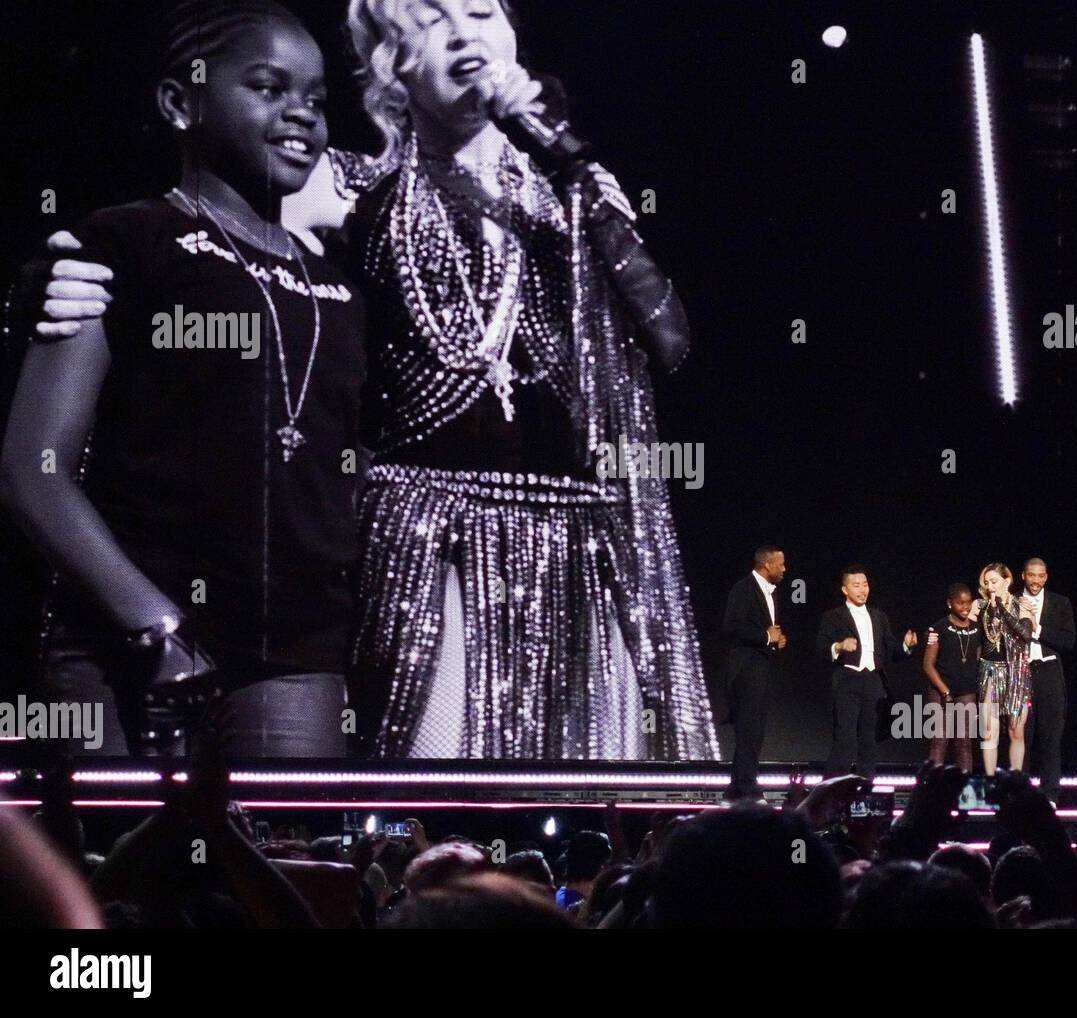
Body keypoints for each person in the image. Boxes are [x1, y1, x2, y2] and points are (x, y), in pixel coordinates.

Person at [34, 0, 719, 763]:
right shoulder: (345, 186)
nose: (464, 36)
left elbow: (669, 340)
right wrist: (61, 277)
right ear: (393, 63)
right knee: (439, 792)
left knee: (589, 791)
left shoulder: (572, 193)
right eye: (431, 21)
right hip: (433, 539)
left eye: (480, 13)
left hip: (576, 543)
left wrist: (569, 162)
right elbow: (208, 231)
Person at [1, 0, 365, 757]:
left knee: (288, 837)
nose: (302, 112)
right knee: (119, 840)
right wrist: (152, 622)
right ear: (180, 103)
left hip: (295, 656)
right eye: (268, 87)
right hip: (125, 640)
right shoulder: (124, 243)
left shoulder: (341, 284)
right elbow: (33, 471)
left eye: (317, 97)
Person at [813, 565, 916, 780]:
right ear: (845, 589)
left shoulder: (878, 616)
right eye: (856, 585)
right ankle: (833, 787)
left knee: (869, 739)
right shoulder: (833, 616)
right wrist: (839, 646)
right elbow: (820, 648)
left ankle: (865, 786)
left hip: (873, 681)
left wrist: (906, 646)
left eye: (865, 585)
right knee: (845, 739)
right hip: (847, 681)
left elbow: (890, 648)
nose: (862, 590)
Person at [722, 546, 787, 799]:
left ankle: (738, 788)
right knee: (748, 730)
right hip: (746, 669)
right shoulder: (744, 588)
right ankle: (746, 787)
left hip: (761, 666)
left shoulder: (771, 592)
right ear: (767, 565)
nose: (784, 569)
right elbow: (731, 626)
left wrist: (775, 642)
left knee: (755, 730)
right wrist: (765, 637)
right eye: (780, 564)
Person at [1019, 558, 1075, 806]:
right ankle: (1020, 793)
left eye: (1040, 576)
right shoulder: (1012, 601)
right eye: (1031, 575)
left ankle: (1050, 794)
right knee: (1021, 737)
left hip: (1049, 673)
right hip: (1021, 673)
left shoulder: (1060, 603)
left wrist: (1038, 629)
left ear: (1046, 577)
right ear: (1023, 575)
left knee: (1051, 736)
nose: (1035, 581)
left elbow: (1068, 641)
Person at [970, 563, 1034, 776]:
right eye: (986, 583)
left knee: (1016, 730)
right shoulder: (980, 606)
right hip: (989, 670)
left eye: (994, 581)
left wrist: (1002, 609)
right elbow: (964, 630)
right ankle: (990, 781)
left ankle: (1015, 780)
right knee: (989, 731)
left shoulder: (1021, 604)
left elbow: (1025, 634)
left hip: (1016, 672)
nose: (990, 587)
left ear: (1007, 581)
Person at [920, 583, 980, 771]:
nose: (965, 607)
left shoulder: (977, 628)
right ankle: (933, 784)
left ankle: (965, 785)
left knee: (964, 743)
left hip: (966, 692)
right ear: (949, 603)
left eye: (968, 602)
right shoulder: (939, 628)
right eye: (960, 603)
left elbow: (977, 659)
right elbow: (927, 665)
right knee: (940, 740)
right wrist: (945, 692)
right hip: (941, 691)